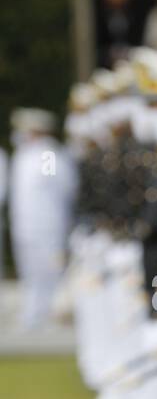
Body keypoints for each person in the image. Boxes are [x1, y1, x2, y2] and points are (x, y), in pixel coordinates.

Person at [9, 109, 77, 332]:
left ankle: (52, 312)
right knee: (29, 271)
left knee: (50, 270)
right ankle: (33, 312)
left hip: (48, 225)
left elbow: (60, 189)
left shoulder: (48, 155)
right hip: (25, 225)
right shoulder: (24, 154)